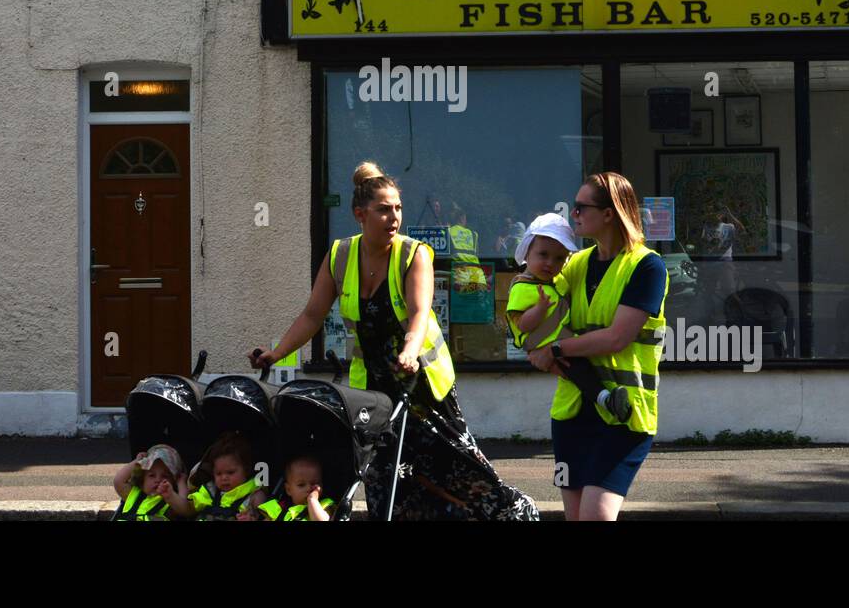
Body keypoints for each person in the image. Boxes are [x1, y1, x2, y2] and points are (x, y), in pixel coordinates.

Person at [250, 160, 538, 520]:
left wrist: (410, 351)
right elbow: (312, 315)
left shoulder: (413, 254)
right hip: (373, 392)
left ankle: (515, 513)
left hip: (421, 384)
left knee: (463, 471)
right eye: (383, 210)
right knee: (385, 482)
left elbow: (419, 313)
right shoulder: (340, 256)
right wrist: (276, 353)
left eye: (398, 208)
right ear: (360, 214)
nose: (394, 217)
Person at [529, 173, 669, 522]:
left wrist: (556, 349)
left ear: (609, 214)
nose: (573, 214)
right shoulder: (575, 264)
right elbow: (538, 300)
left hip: (624, 413)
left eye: (580, 207)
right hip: (573, 411)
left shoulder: (647, 266)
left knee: (595, 516)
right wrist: (531, 339)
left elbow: (617, 337)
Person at [506, 213, 633, 423]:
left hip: (561, 342)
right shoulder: (522, 287)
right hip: (547, 344)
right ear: (527, 252)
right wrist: (539, 308)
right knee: (580, 372)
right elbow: (522, 324)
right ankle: (606, 400)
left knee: (582, 371)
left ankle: (606, 399)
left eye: (558, 258)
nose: (549, 263)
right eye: (543, 255)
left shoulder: (555, 282)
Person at [179, 432, 266, 521]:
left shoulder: (254, 495)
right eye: (218, 473)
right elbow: (187, 510)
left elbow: (266, 517)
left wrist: (251, 518)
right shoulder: (210, 491)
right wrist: (170, 496)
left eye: (230, 472)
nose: (224, 478)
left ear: (246, 470)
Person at [112, 444, 187, 521]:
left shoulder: (170, 501)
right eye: (152, 475)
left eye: (165, 476)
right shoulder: (133, 494)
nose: (158, 480)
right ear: (142, 480)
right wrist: (137, 462)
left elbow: (184, 509)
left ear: (173, 482)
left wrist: (181, 484)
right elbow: (118, 481)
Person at [257, 455, 335, 521]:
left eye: (314, 484)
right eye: (301, 485)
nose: (309, 488)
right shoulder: (279, 508)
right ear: (289, 489)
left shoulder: (323, 506)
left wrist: (312, 500)